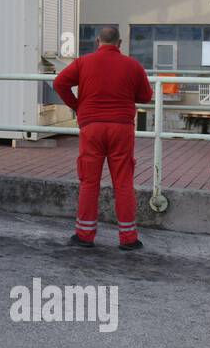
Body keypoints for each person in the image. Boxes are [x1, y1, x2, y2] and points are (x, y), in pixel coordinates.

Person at [52, 26, 153, 250]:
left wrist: (77, 106)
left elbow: (60, 83)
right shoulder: (133, 65)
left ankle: (85, 235)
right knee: (123, 182)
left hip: (92, 127)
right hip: (121, 128)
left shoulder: (83, 62)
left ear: (98, 40)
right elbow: (146, 96)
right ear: (119, 43)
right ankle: (129, 239)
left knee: (89, 181)